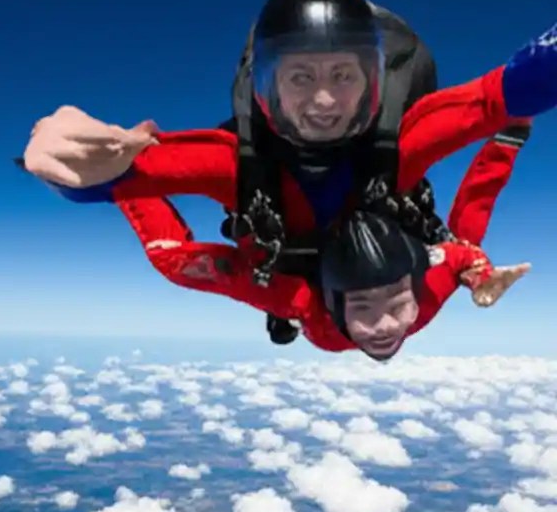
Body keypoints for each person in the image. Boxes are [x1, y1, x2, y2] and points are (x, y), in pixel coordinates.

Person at [21, 0, 557, 270]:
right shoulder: (235, 161)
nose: (324, 99)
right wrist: (62, 159)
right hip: (294, 283)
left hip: (364, 275)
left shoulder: (402, 142)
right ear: (266, 87)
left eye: (343, 74)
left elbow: (512, 88)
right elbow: (113, 178)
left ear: (373, 79)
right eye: (300, 76)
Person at [117, 125, 532, 359]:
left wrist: (120, 181)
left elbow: (459, 254)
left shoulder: (300, 301)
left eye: (394, 305)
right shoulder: (417, 298)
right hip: (330, 250)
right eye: (365, 308)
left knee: (192, 263)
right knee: (465, 235)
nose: (386, 327)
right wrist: (478, 275)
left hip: (331, 268)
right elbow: (464, 249)